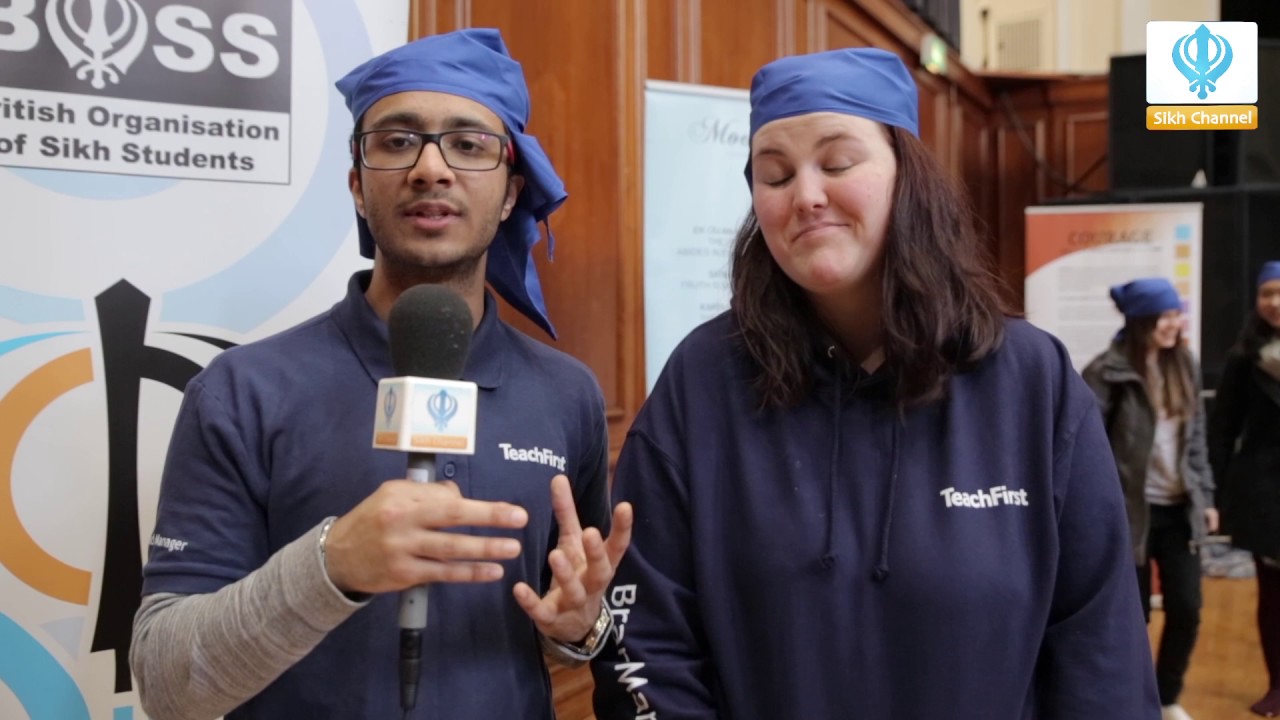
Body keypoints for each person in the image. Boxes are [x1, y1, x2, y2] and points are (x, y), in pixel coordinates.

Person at [590, 47, 1159, 719]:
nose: (805, 195)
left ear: (907, 177)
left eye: (837, 163)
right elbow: (648, 643)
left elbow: (1101, 653)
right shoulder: (701, 384)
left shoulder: (1033, 384)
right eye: (774, 175)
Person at [130, 28, 633, 720]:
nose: (432, 168)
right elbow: (166, 683)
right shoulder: (244, 392)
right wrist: (331, 567)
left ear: (513, 192)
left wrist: (578, 629)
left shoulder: (567, 393)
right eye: (397, 141)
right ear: (357, 188)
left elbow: (575, 626)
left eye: (469, 143)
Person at [1082, 277, 1217, 720]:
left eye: (1177, 314)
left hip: (1180, 509)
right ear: (1143, 321)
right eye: (1167, 315)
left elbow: (1195, 440)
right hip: (1129, 514)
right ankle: (1133, 698)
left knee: (1187, 608)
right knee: (1131, 617)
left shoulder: (1186, 365)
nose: (1175, 324)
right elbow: (1087, 446)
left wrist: (1207, 496)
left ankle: (1166, 695)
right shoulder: (1107, 372)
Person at [1209, 261, 1280, 717]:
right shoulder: (1243, 358)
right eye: (1266, 294)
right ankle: (1278, 684)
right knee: (1273, 595)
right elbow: (1222, 430)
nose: (1274, 302)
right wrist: (1215, 496)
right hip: (1267, 491)